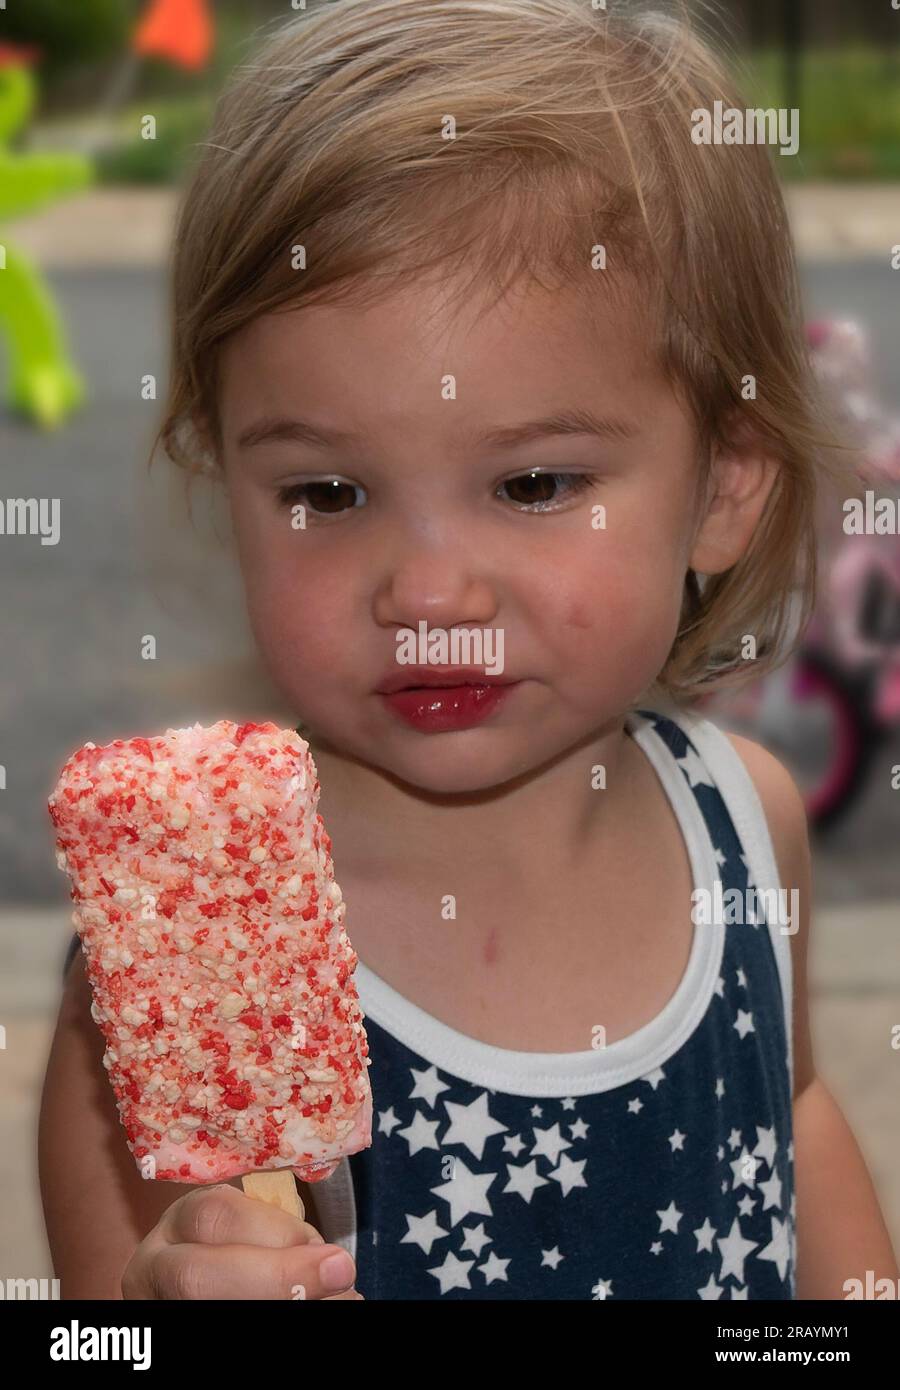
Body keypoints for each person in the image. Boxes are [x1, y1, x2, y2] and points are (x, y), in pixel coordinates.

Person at [40, 0, 898, 1299]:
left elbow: (797, 1117)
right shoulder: (183, 931)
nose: (425, 585)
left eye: (536, 481)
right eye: (326, 493)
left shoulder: (747, 820)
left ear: (726, 486)